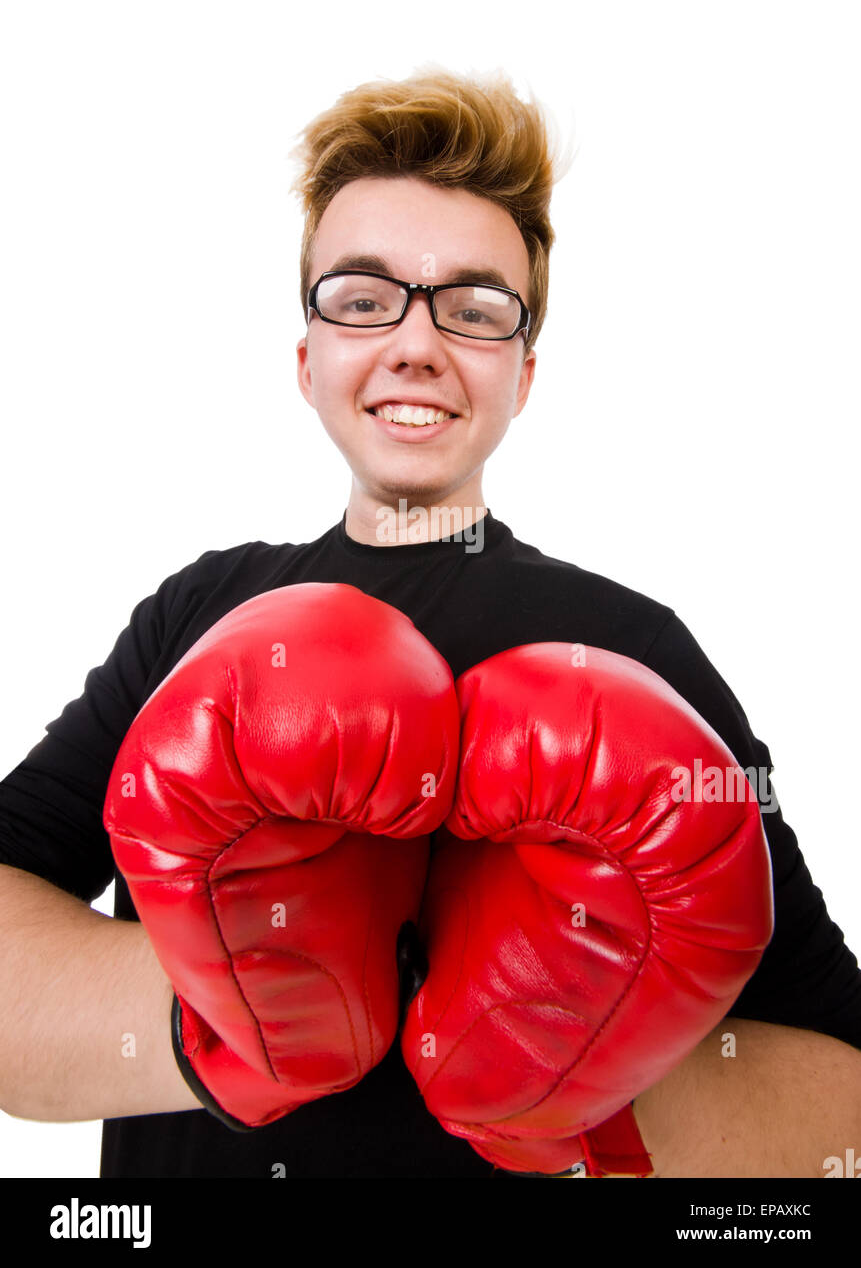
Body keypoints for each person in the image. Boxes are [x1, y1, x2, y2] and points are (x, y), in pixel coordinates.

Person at [0, 69, 859, 1180]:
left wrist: (565, 1083)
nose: (415, 343)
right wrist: (230, 1018)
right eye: (362, 298)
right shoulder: (198, 613)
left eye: (473, 305)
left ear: (523, 373)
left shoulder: (636, 645)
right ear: (307, 361)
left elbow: (842, 1107)